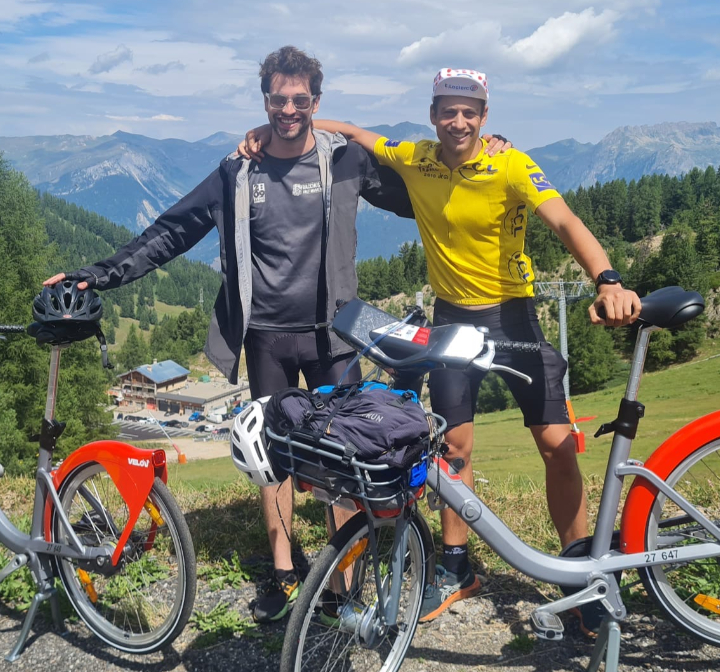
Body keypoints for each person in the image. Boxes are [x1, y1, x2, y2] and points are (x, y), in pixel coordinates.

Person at [45, 48, 507, 624]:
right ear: (265, 100)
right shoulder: (236, 171)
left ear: (317, 101)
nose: (288, 110)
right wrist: (98, 275)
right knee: (273, 459)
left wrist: (474, 156)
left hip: (337, 337)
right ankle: (285, 573)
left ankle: (344, 583)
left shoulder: (346, 163)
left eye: (300, 100)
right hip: (264, 335)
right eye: (277, 100)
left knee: (346, 459)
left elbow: (426, 193)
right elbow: (172, 231)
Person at [242, 68, 641, 626]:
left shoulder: (513, 164)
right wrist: (271, 130)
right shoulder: (417, 157)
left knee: (556, 444)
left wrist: (608, 280)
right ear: (433, 116)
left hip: (514, 317)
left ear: (484, 117)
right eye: (447, 111)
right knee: (453, 448)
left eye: (469, 112)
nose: (458, 121)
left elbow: (565, 221)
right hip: (452, 320)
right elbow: (355, 132)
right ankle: (456, 567)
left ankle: (581, 567)